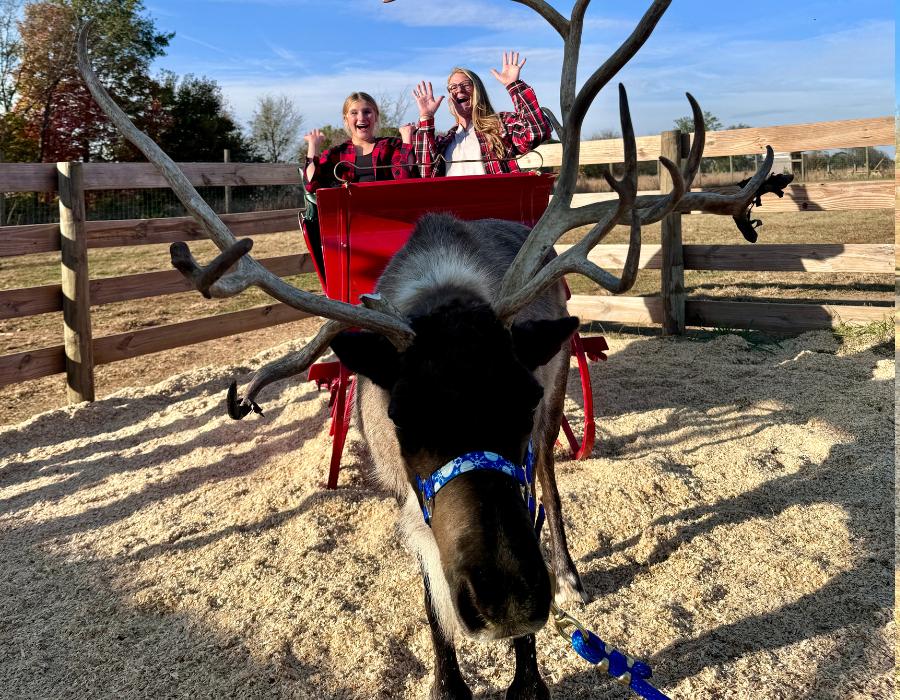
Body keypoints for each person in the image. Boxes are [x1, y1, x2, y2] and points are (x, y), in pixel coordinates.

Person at [412, 51, 552, 178]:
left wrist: (513, 85)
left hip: (494, 203)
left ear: (477, 90)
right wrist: (426, 117)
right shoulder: (445, 142)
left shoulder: (501, 125)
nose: (459, 90)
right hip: (454, 204)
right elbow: (426, 173)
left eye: (466, 84)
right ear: (450, 98)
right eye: (453, 87)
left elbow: (536, 132)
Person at [303, 92, 417, 192]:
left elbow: (405, 178)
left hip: (387, 211)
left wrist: (407, 139)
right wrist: (313, 145)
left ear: (376, 116)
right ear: (346, 119)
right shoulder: (337, 154)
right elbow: (312, 185)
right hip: (350, 214)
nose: (361, 118)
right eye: (354, 113)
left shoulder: (390, 146)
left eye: (367, 111)